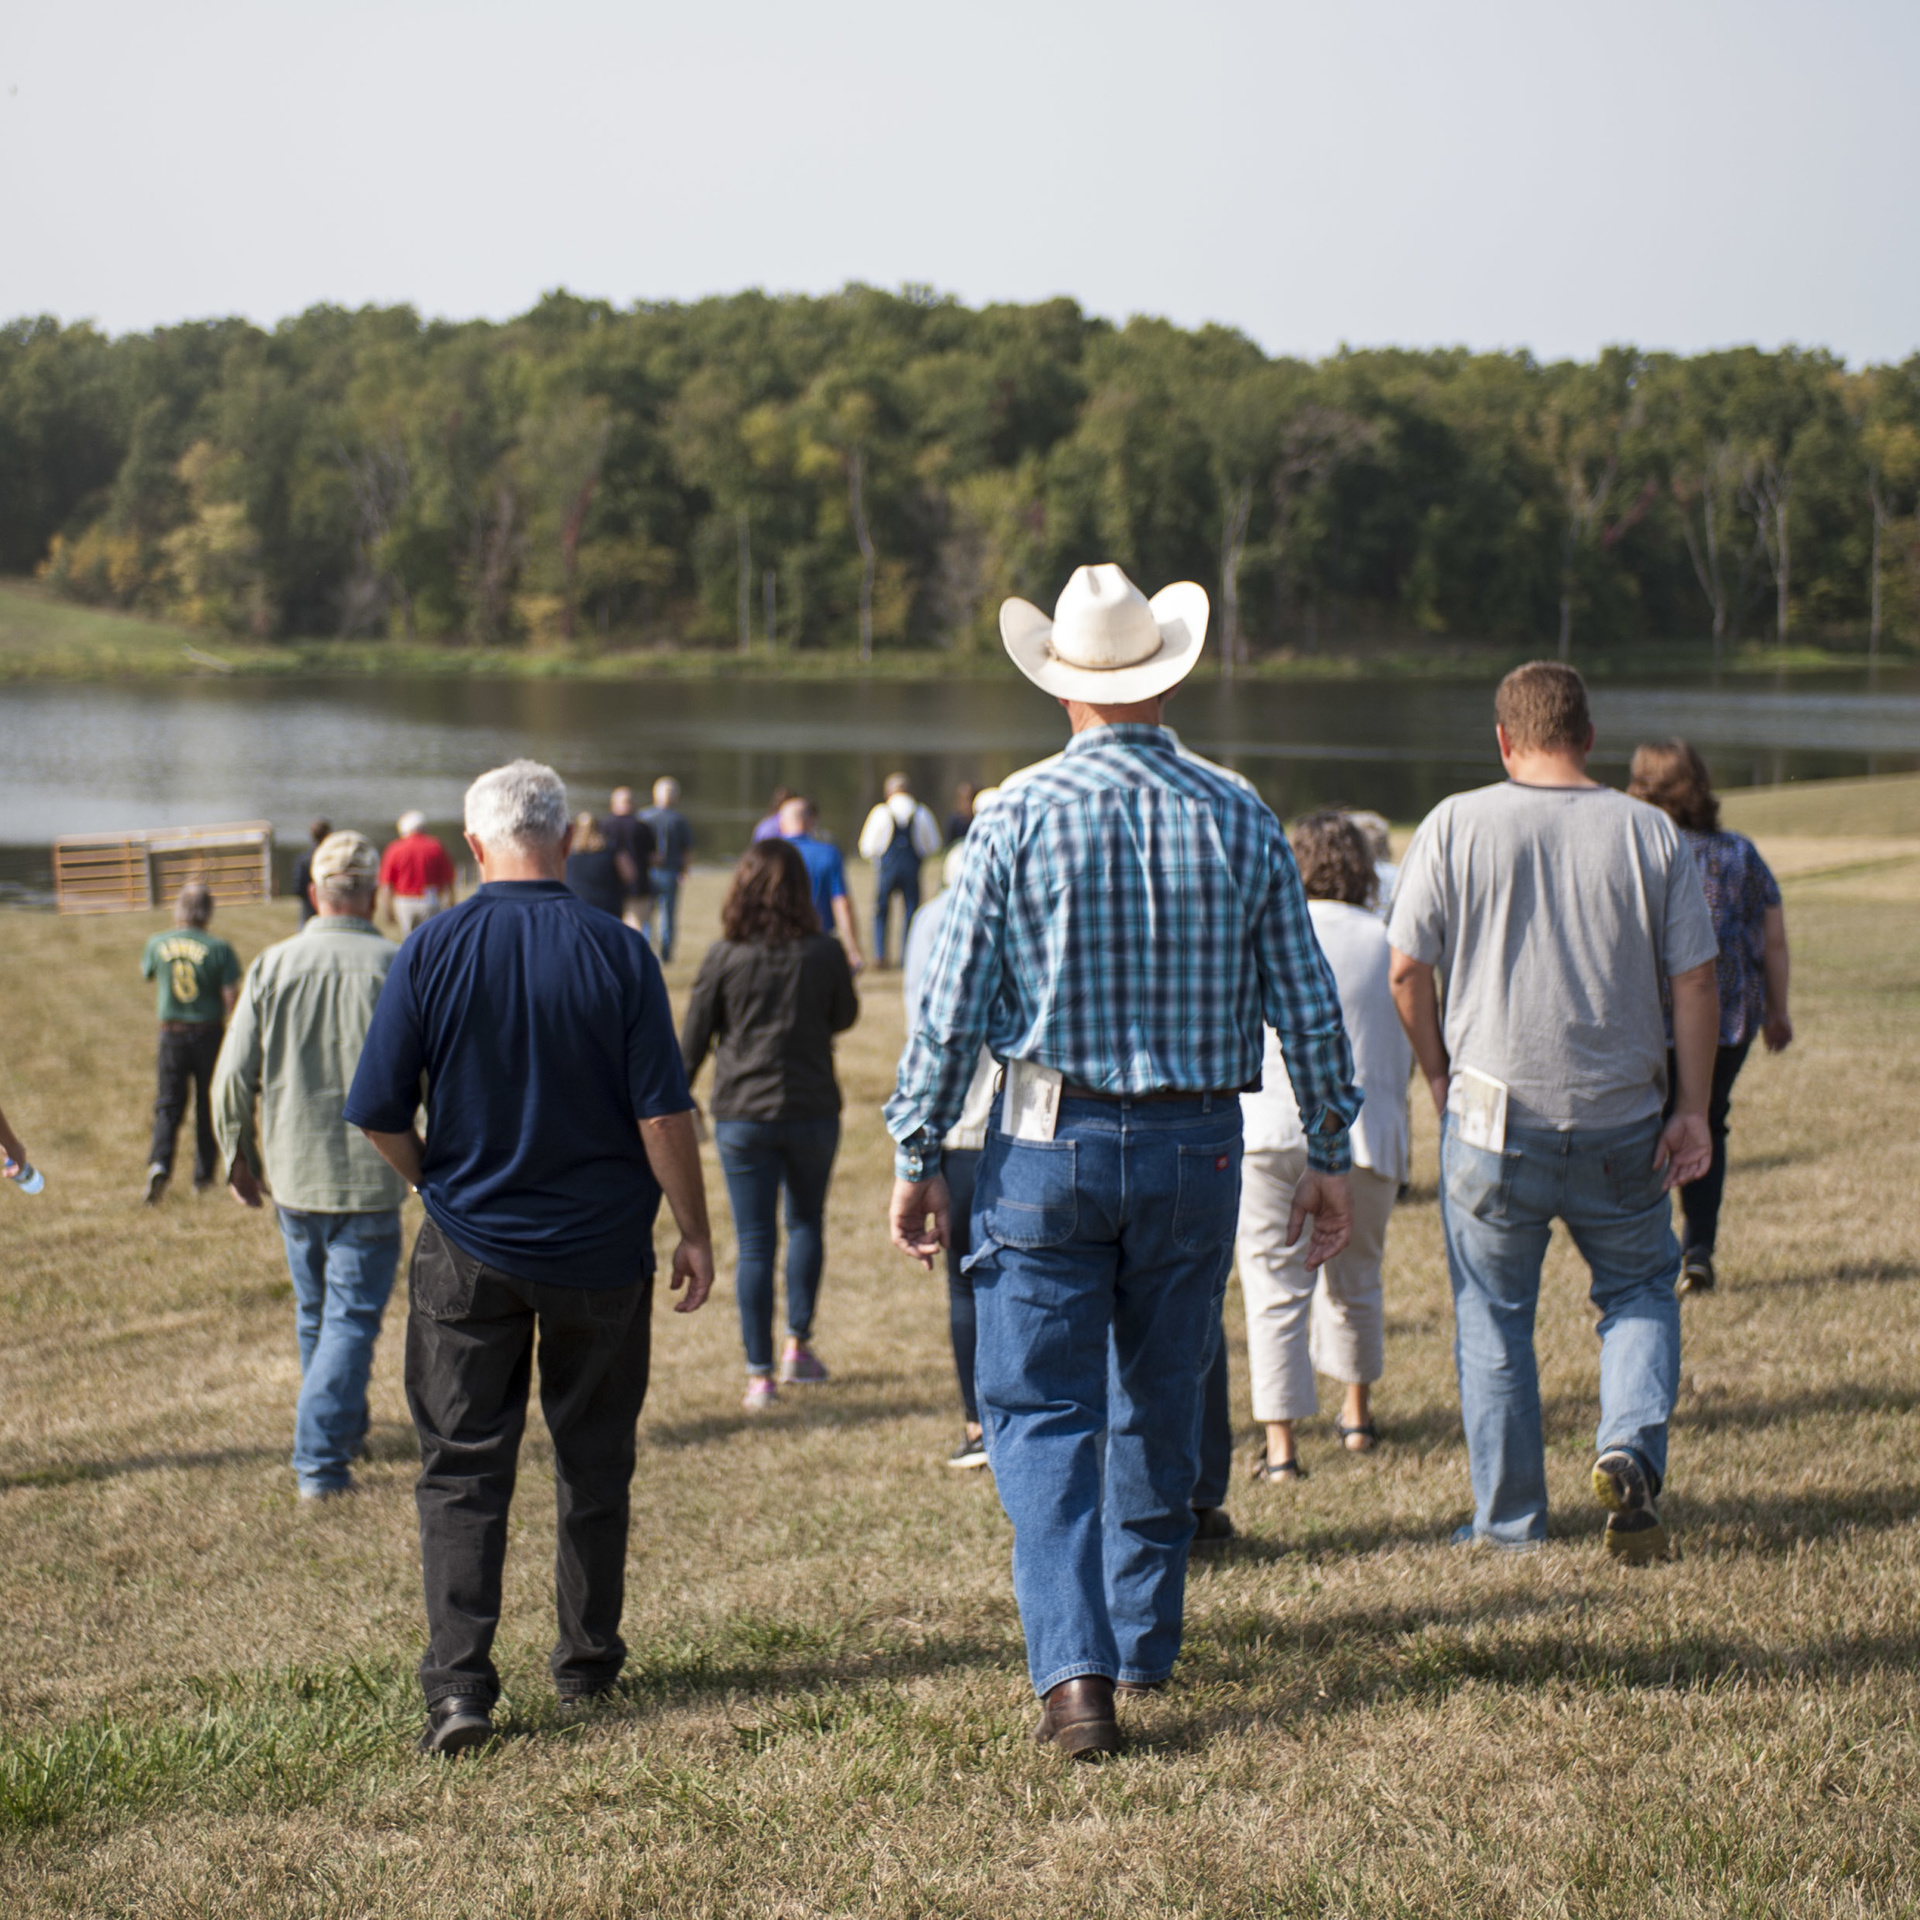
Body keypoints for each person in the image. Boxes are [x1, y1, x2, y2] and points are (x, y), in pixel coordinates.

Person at [886, 563, 1359, 1760]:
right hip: (1199, 1141)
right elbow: (1306, 1004)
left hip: (1045, 1138)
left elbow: (948, 1010)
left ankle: (1075, 1677)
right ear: (1165, 678)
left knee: (1042, 1409)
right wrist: (1333, 1148)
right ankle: (1140, 1646)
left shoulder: (1016, 815)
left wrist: (916, 1147)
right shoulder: (1241, 811)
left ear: (1063, 691)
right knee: (1160, 1391)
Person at [343, 759, 715, 1758]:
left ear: (474, 846)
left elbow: (376, 1107)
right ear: (568, 836)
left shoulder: (429, 948)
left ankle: (460, 1688)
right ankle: (587, 1662)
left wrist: (433, 1183)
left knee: (463, 1468)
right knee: (595, 1459)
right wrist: (694, 1227)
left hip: (469, 1247)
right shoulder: (620, 950)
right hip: (599, 1251)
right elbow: (662, 1111)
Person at [1387, 662, 1719, 1565]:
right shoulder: (1651, 831)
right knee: (1642, 1289)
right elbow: (1695, 978)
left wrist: (1437, 1074)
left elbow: (1406, 970)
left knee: (1494, 1318)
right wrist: (1691, 1109)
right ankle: (1628, 1446)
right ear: (1590, 738)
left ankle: (1509, 1525)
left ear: (1503, 741)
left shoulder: (1455, 823)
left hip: (1491, 1117)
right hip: (1621, 1119)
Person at [211, 831, 408, 1501]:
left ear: (312, 892)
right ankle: (321, 1462)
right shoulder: (398, 963)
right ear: (374, 894)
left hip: (296, 1172)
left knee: (318, 1312)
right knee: (348, 1318)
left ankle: (341, 1430)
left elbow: (231, 1076)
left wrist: (236, 1152)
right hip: (373, 1173)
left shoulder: (273, 965)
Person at [1238, 812, 1411, 1481]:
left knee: (1272, 1286)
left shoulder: (1267, 932)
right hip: (1366, 1130)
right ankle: (1356, 1414)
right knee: (1357, 1277)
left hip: (1268, 1127)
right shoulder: (1388, 936)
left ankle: (1281, 1449)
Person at [680, 840, 860, 1408]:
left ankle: (760, 1375)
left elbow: (691, 1042)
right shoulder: (823, 952)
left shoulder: (723, 956)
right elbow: (845, 1015)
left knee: (755, 1242)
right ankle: (796, 1346)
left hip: (744, 1114)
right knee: (806, 1223)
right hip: (810, 1109)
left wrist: (676, 1095)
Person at [1628, 738, 1793, 1293]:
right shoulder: (1739, 853)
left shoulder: (1640, 852)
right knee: (1708, 1122)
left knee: (1646, 1126)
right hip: (1728, 1021)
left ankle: (1646, 1249)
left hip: (1651, 1018)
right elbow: (1773, 938)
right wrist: (1779, 1010)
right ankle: (1698, 1245)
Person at [901, 803, 1006, 1470]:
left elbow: (924, 1026)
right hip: (1025, 1121)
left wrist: (914, 1147)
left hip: (958, 1126)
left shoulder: (932, 918)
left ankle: (978, 1426)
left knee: (966, 1286)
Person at [140, 880, 242, 1205]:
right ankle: (203, 1176)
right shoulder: (219, 948)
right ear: (208, 911)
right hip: (209, 1033)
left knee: (168, 1104)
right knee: (207, 1105)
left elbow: (149, 973)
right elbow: (231, 997)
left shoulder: (157, 943)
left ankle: (159, 1164)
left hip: (171, 1033)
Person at [858, 773, 942, 968]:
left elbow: (867, 847)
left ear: (888, 792)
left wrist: (877, 861)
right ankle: (908, 956)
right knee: (911, 912)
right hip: (912, 869)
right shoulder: (921, 812)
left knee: (881, 912)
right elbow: (933, 846)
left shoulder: (881, 812)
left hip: (887, 869)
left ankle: (880, 955)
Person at [779, 796, 866, 972]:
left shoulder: (770, 855)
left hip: (777, 942)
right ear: (809, 821)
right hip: (817, 944)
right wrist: (853, 949)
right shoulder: (828, 853)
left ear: (782, 823)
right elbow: (842, 904)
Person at [378, 811, 457, 937]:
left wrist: (388, 911)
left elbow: (386, 884)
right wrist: (452, 902)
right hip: (430, 898)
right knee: (431, 938)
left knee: (409, 940)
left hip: (404, 901)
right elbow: (449, 878)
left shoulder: (395, 849)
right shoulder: (435, 846)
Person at [640, 777, 694, 961]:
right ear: (674, 797)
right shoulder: (679, 820)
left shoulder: (643, 817)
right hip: (670, 872)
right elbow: (687, 851)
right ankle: (666, 954)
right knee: (668, 915)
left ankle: (646, 949)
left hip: (647, 872)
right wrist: (684, 871)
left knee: (646, 914)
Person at [601, 788, 658, 934]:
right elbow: (654, 857)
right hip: (638, 886)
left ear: (613, 804)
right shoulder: (642, 827)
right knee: (638, 928)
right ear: (633, 805)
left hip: (611, 886)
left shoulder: (604, 827)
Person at [564, 811, 627, 919]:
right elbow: (629, 875)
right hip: (607, 905)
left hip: (575, 906)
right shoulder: (611, 850)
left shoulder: (568, 852)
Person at [292, 819, 331, 926]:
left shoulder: (304, 860)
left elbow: (298, 888)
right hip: (329, 906)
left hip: (308, 909)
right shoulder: (332, 859)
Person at [946, 783, 977, 847]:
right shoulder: (953, 822)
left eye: (968, 800)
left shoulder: (977, 821)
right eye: (962, 801)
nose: (965, 805)